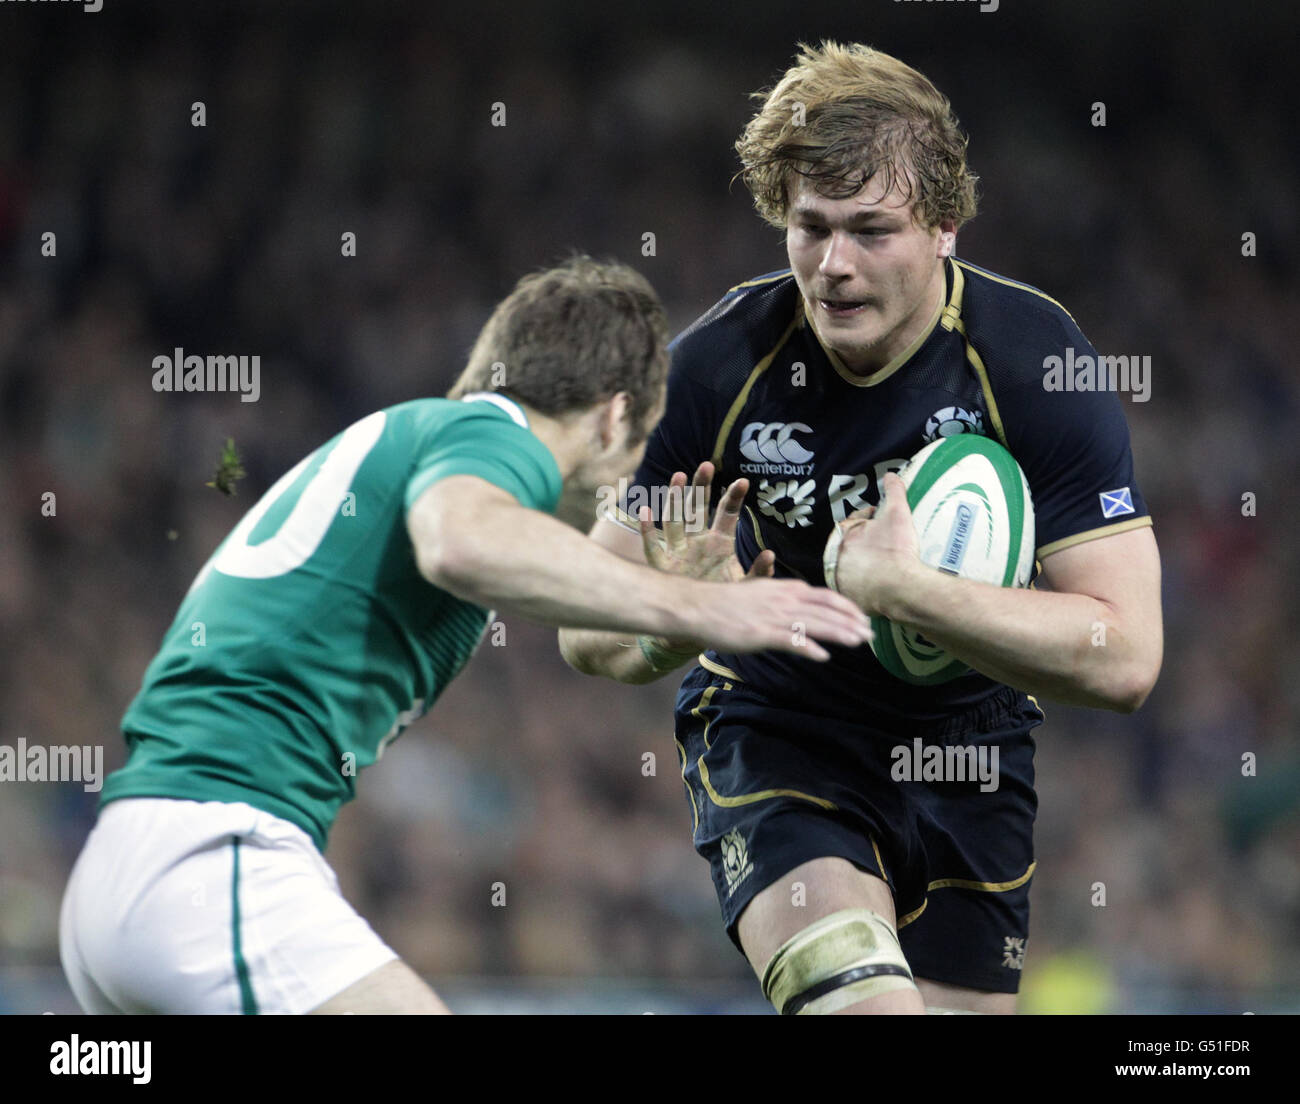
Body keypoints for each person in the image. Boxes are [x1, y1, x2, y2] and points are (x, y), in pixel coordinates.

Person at [58, 256, 872, 1015]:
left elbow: (559, 611)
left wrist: (672, 621)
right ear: (618, 414)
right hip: (211, 856)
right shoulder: (486, 436)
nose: (640, 475)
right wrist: (702, 610)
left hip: (132, 874)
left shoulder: (424, 449)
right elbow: (463, 540)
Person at [559, 43, 1163, 1015]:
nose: (834, 266)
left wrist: (911, 593)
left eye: (872, 230)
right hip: (780, 732)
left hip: (972, 750)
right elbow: (583, 631)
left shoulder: (1035, 363)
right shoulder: (714, 373)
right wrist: (680, 612)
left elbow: (1126, 655)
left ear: (944, 228)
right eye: (810, 228)